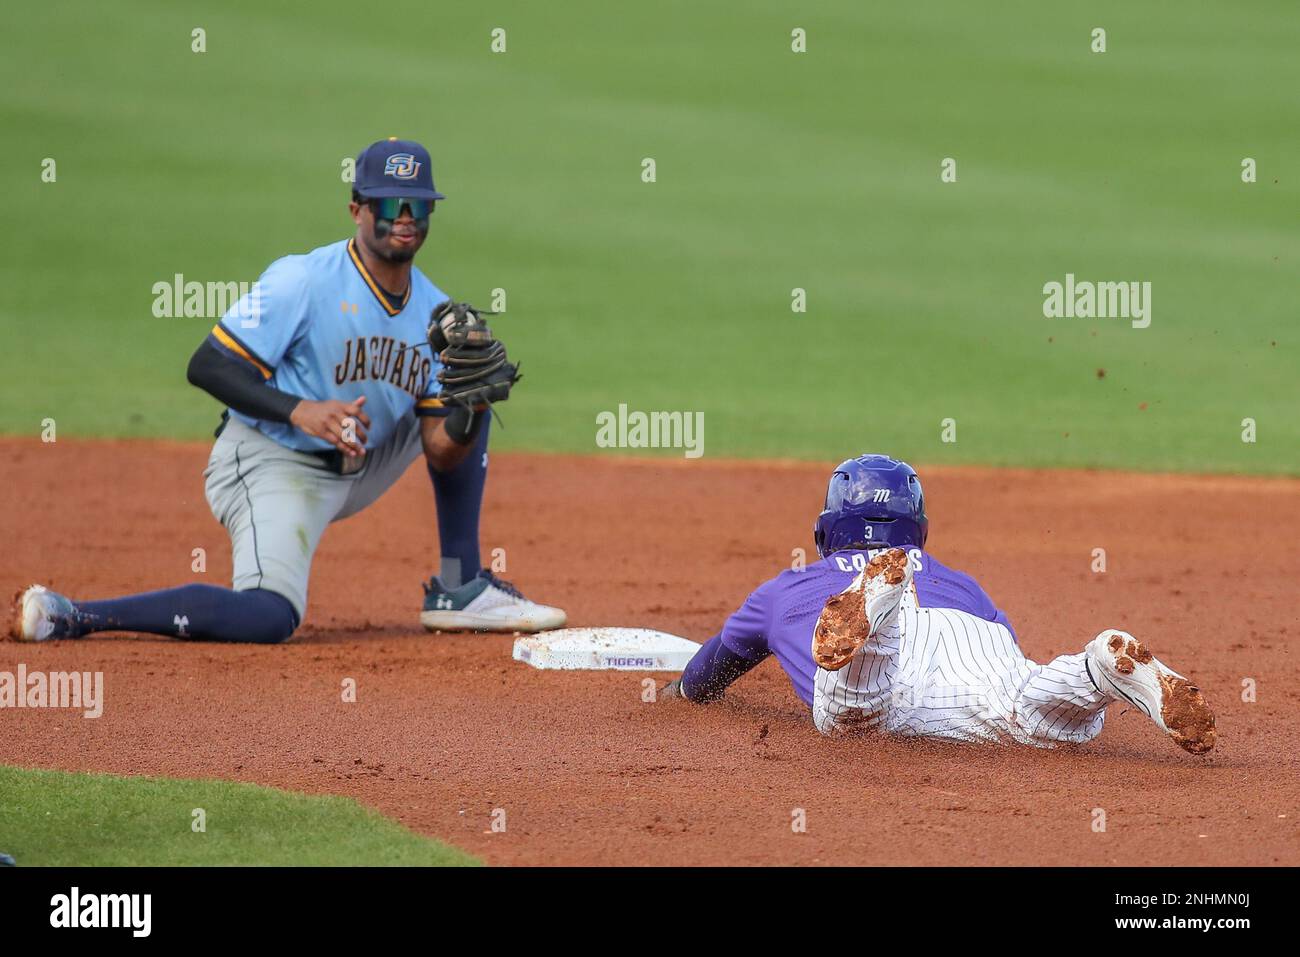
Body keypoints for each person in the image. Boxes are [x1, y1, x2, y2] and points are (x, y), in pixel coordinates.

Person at [12, 138, 565, 644]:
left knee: (468, 381)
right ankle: (77, 615)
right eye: (389, 204)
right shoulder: (300, 281)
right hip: (274, 459)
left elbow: (442, 452)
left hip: (362, 459)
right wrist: (302, 411)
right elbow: (207, 365)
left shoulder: (434, 312)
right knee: (269, 616)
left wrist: (473, 407)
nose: (404, 218)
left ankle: (459, 585)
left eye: (417, 207)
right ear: (357, 210)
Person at [662, 454, 1215, 754]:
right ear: (918, 529)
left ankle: (876, 623)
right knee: (1028, 707)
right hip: (971, 647)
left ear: (828, 527)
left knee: (855, 710)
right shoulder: (966, 584)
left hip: (882, 672)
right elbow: (1005, 655)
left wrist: (679, 691)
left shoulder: (784, 590)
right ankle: (1093, 671)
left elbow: (705, 677)